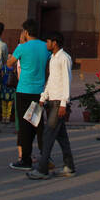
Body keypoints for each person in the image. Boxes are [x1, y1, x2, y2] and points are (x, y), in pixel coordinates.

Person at [28, 31, 75, 178]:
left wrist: (63, 104)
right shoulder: (53, 58)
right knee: (62, 138)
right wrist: (43, 97)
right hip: (52, 101)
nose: (46, 44)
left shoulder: (64, 58)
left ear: (55, 43)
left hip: (59, 104)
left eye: (48, 41)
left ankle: (42, 170)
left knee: (48, 135)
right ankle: (69, 166)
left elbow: (67, 81)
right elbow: (51, 80)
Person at [8, 19, 50, 171]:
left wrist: (19, 45)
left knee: (25, 127)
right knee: (37, 124)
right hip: (38, 92)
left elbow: (9, 63)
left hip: (23, 91)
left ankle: (25, 159)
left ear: (25, 32)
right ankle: (45, 156)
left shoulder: (22, 47)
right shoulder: (46, 47)